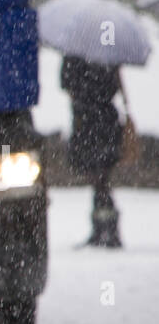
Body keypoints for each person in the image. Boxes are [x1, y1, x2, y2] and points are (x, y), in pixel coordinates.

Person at [61, 54, 124, 248]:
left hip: (87, 125)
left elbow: (66, 82)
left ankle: (104, 228)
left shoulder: (74, 53)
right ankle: (106, 227)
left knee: (99, 180)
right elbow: (113, 86)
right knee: (101, 179)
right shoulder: (107, 56)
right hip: (105, 123)